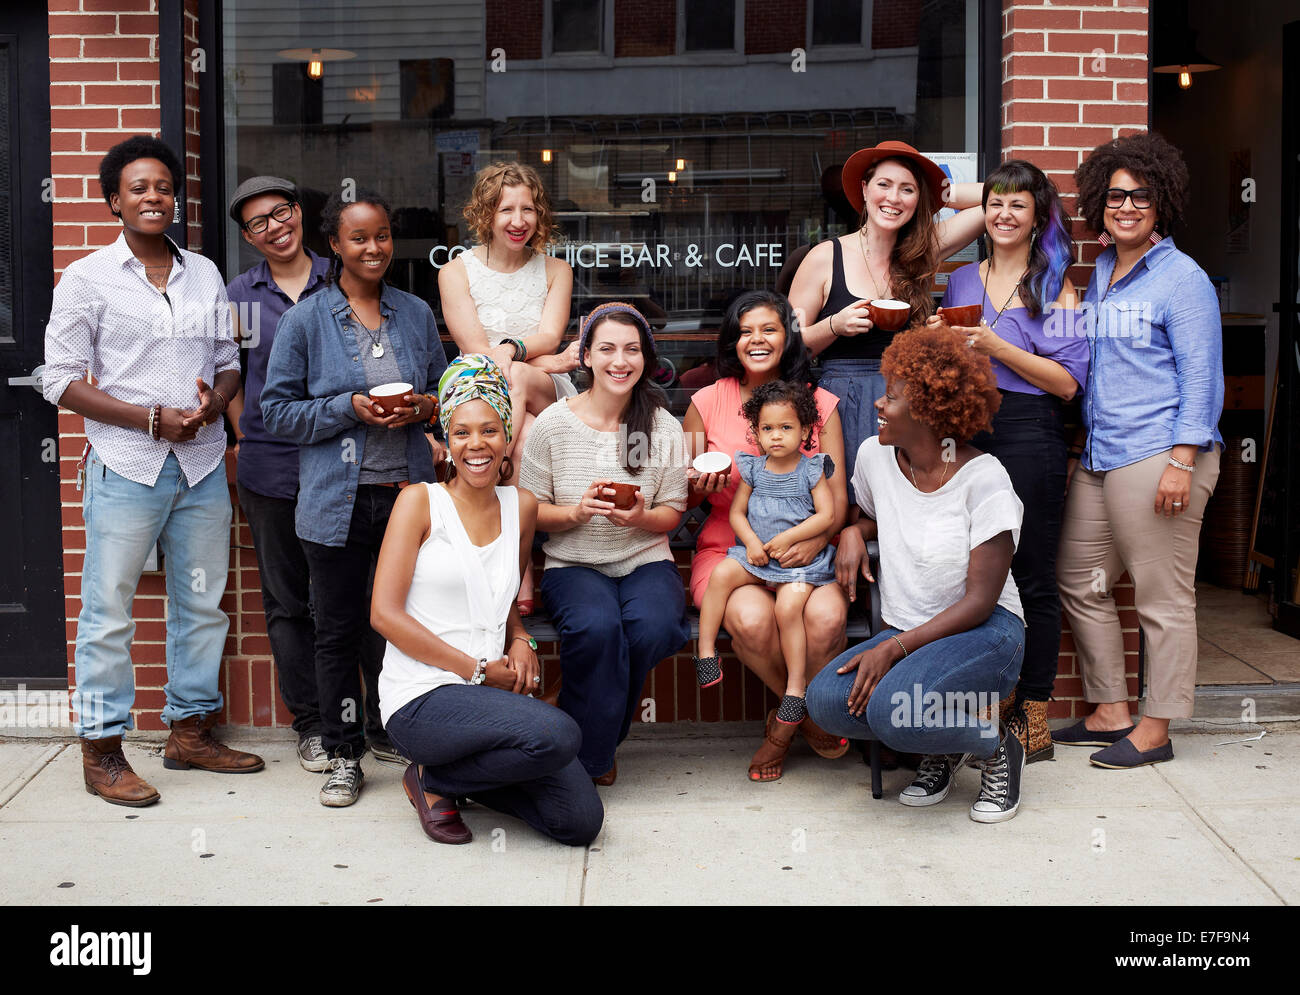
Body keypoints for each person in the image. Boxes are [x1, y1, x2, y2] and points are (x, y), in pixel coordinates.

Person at [42, 135, 264, 806]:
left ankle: (189, 732)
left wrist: (216, 406)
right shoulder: (87, 277)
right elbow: (56, 379)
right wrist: (146, 419)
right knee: (107, 611)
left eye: (163, 186)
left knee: (200, 604)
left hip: (198, 465)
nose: (152, 197)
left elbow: (229, 357)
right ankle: (103, 750)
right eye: (137, 188)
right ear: (114, 201)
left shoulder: (203, 272)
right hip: (127, 464)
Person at [261, 187, 448, 807]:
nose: (374, 248)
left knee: (401, 627)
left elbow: (441, 398)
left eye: (383, 236)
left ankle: (392, 729)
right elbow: (276, 412)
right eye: (359, 238)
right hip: (335, 501)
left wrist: (423, 407)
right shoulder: (306, 319)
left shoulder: (415, 313)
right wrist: (348, 409)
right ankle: (344, 755)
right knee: (336, 631)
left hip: (407, 500)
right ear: (334, 246)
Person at [372, 355, 603, 846]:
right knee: (558, 734)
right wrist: (475, 670)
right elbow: (384, 615)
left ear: (506, 437)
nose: (476, 445)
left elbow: (502, 599)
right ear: (447, 441)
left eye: (489, 430)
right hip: (423, 696)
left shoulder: (520, 505)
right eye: (461, 433)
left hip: (489, 697)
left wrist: (521, 640)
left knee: (579, 821)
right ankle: (432, 776)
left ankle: (441, 780)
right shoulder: (419, 501)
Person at [806, 326, 1029, 823]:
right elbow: (874, 515)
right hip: (910, 632)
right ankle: (943, 747)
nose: (879, 406)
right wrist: (850, 533)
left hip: (986, 632)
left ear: (931, 410)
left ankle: (996, 748)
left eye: (892, 397)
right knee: (825, 701)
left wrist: (895, 647)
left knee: (891, 710)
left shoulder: (985, 480)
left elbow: (979, 601)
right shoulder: (875, 458)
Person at [1054, 132, 1224, 769]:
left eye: (1140, 197)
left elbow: (1202, 377)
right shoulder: (1101, 271)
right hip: (1100, 456)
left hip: (1159, 452)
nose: (1126, 206)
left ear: (1162, 204)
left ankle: (1158, 725)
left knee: (1162, 597)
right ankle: (1109, 710)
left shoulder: (1182, 279)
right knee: (1080, 579)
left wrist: (1182, 459)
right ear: (1099, 202)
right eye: (1115, 196)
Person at [224, 176, 402, 773]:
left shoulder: (346, 271)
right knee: (291, 604)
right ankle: (313, 724)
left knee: (366, 601)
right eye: (257, 223)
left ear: (301, 215)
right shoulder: (241, 296)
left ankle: (376, 719)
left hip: (351, 469)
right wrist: (244, 428)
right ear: (248, 237)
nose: (274, 227)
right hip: (275, 466)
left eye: (281, 213)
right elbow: (233, 372)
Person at [925, 159, 1088, 763]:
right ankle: (979, 703)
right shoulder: (964, 281)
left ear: (1038, 215)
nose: (1004, 214)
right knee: (969, 570)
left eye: (1019, 204)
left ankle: (1034, 715)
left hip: (1029, 429)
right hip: (970, 429)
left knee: (1030, 573)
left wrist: (997, 346)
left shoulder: (1057, 288)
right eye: (995, 202)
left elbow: (1069, 385)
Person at [519, 302, 691, 785]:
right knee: (597, 629)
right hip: (573, 562)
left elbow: (673, 511)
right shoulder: (555, 423)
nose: (621, 361)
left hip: (644, 557)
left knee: (652, 626)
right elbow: (528, 510)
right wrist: (574, 512)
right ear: (586, 357)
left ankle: (575, 721)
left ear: (646, 358)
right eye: (608, 349)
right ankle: (594, 757)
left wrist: (641, 517)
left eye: (632, 350)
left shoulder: (662, 426)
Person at [683, 290, 850, 781]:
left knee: (823, 620)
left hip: (805, 550)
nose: (756, 340)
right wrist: (698, 489)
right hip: (730, 550)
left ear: (788, 337)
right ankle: (804, 717)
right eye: (745, 331)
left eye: (769, 329)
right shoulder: (706, 402)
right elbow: (681, 495)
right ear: (733, 341)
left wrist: (819, 540)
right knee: (753, 622)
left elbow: (834, 501)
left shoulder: (821, 405)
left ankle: (783, 725)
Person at [787, 140, 987, 497]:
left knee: (905, 501)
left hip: (906, 400)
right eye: (884, 185)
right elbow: (787, 344)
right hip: (839, 401)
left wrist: (941, 192)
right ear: (864, 190)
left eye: (907, 190)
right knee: (842, 504)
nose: (894, 198)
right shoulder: (824, 256)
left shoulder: (922, 252)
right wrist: (834, 326)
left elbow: (998, 200)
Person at [438, 161, 578, 614]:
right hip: (479, 387)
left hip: (543, 385)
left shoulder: (556, 269)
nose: (519, 221)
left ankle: (486, 468)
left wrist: (521, 349)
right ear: (485, 214)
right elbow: (476, 351)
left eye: (529, 209)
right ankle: (522, 569)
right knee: (525, 441)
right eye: (506, 210)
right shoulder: (455, 272)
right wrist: (543, 357)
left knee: (516, 375)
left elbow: (550, 336)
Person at [694, 380, 836, 726]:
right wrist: (752, 544)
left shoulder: (812, 469)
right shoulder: (754, 468)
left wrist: (790, 538)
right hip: (758, 557)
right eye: (767, 428)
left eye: (786, 428)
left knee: (789, 608)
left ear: (805, 431)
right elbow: (736, 513)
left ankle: (794, 689)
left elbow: (827, 516)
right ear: (756, 433)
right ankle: (706, 652)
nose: (776, 436)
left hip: (795, 563)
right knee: (723, 573)